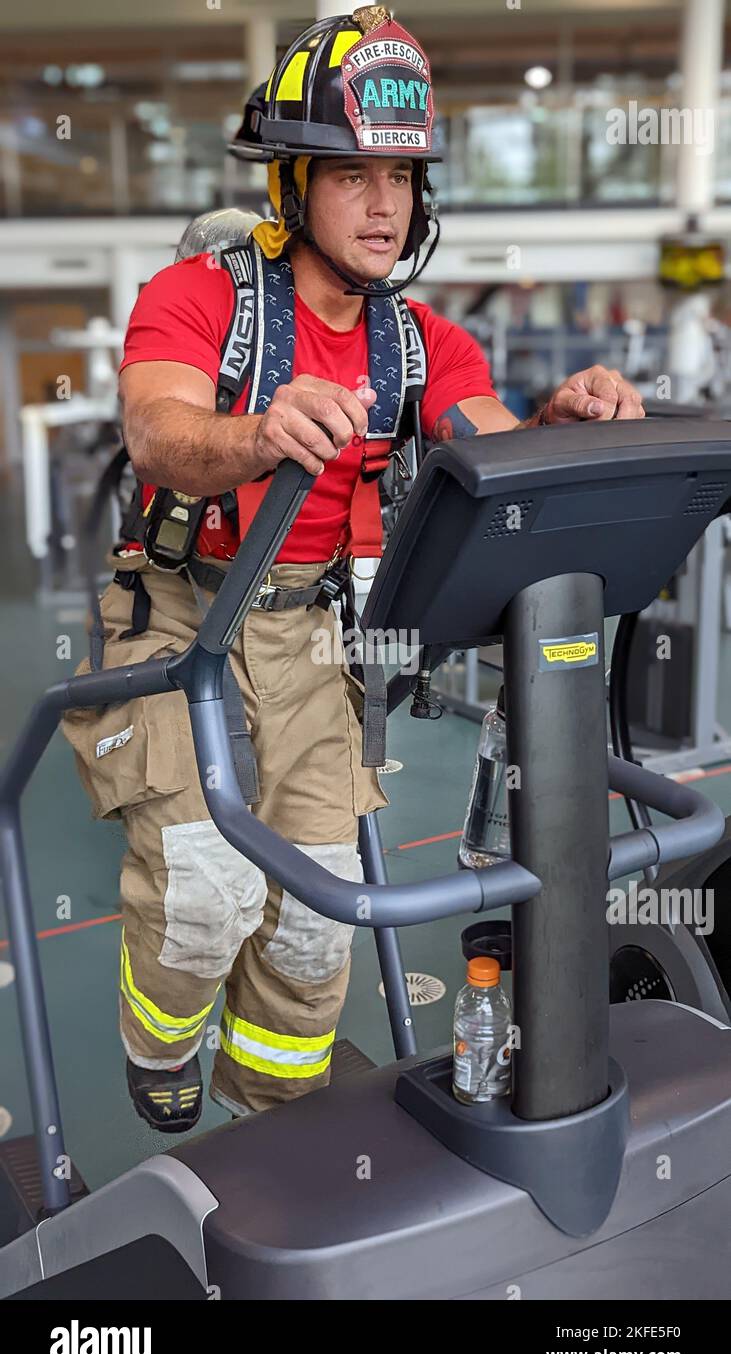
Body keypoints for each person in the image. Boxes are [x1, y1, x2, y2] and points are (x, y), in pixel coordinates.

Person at [63, 5, 644, 1133]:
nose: (385, 204)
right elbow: (158, 432)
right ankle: (159, 1039)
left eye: (402, 177)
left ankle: (276, 1109)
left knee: (312, 925)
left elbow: (492, 442)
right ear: (289, 183)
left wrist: (561, 423)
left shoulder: (420, 342)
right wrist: (256, 432)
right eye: (349, 175)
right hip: (183, 622)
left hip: (318, 642)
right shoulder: (201, 300)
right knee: (204, 887)